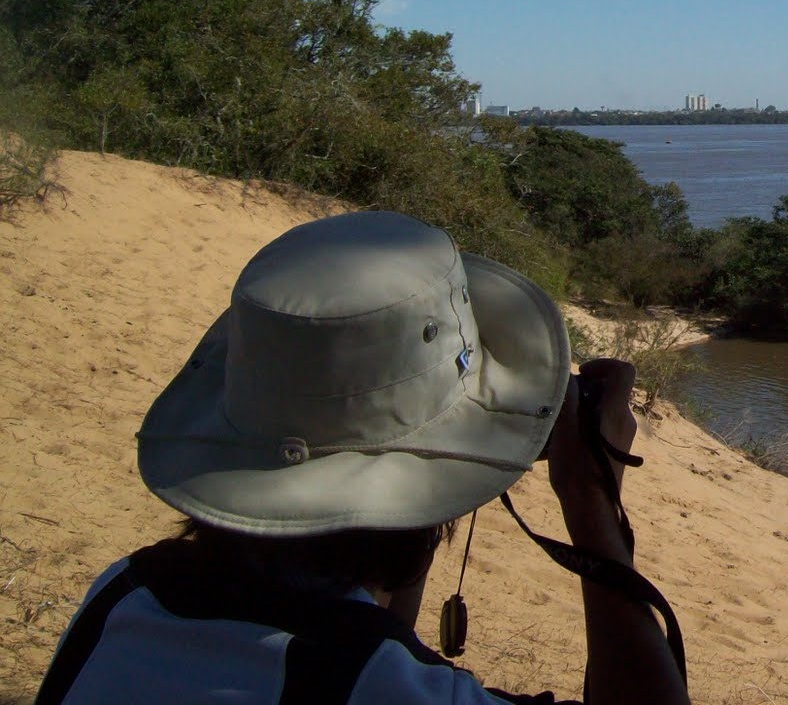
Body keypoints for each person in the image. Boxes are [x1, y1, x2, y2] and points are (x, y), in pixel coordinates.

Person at [37, 210, 690, 704]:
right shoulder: (378, 684)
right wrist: (591, 499)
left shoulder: (122, 595)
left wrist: (420, 485)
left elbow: (347, 621)